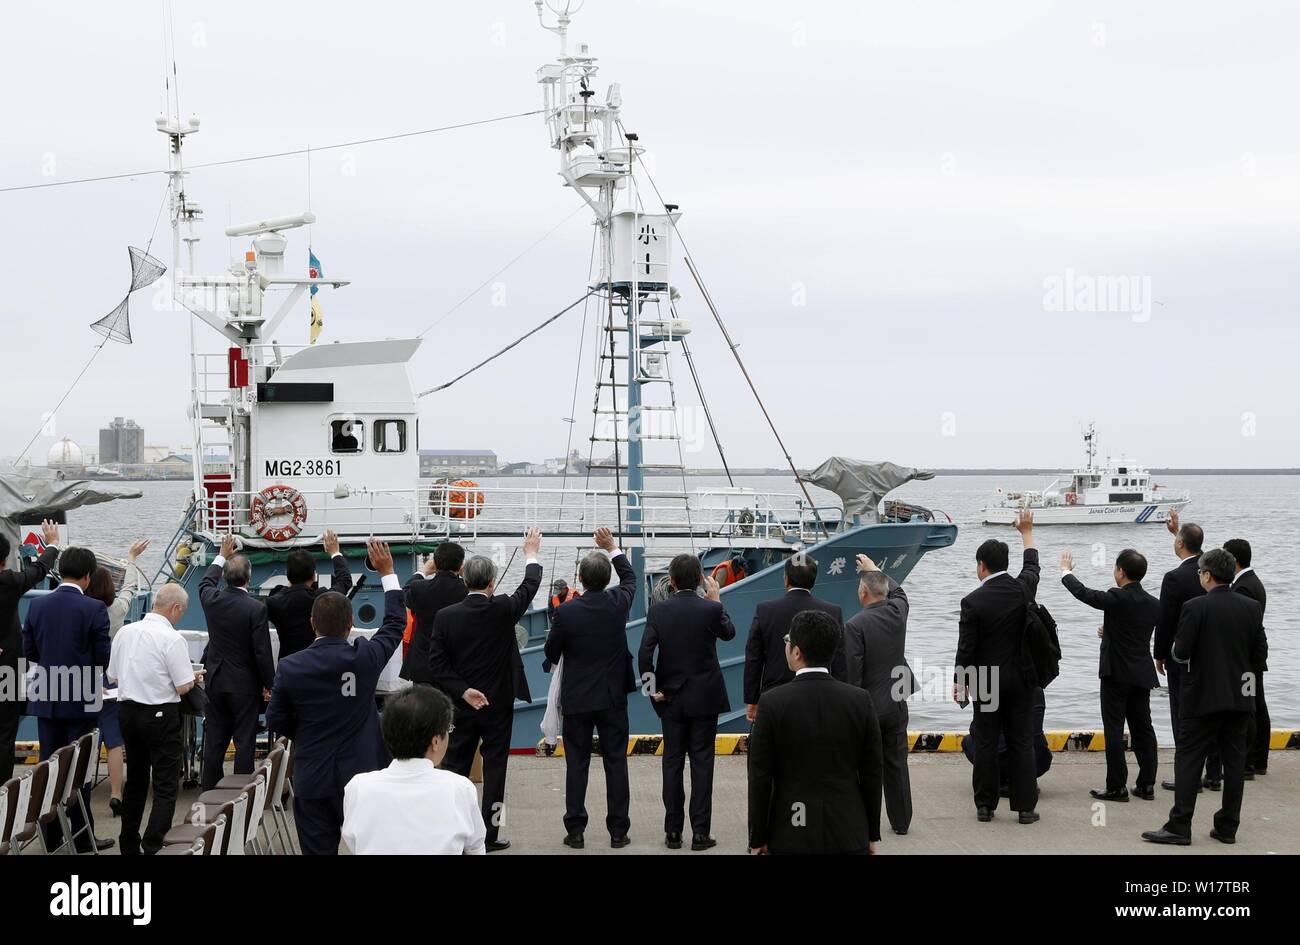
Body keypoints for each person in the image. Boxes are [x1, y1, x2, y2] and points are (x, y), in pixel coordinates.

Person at [266, 538, 405, 855]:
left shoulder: (290, 667)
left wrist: (306, 730)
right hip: (363, 777)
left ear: (312, 623)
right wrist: (388, 572)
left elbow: (275, 719)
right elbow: (396, 622)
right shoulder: (365, 658)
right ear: (351, 624)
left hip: (313, 775)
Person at [1142, 548, 1267, 846]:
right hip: (1239, 698)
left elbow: (1180, 651)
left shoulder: (1196, 607)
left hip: (1201, 698)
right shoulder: (1251, 607)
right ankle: (1227, 826)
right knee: (1234, 763)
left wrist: (1172, 651)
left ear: (1208, 575)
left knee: (1188, 758)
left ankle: (1180, 825)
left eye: (1200, 572)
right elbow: (1259, 654)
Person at [428, 529, 542, 852]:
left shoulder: (445, 617)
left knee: (454, 771)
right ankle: (491, 835)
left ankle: (454, 832)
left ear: (466, 582)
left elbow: (438, 665)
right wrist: (530, 552)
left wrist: (463, 692)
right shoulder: (503, 609)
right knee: (496, 772)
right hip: (498, 705)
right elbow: (530, 586)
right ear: (492, 583)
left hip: (460, 707)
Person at [747, 610, 883, 855]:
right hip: (848, 831)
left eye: (788, 641)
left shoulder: (772, 703)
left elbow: (760, 777)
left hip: (789, 832)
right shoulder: (860, 700)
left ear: (797, 652)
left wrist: (758, 836)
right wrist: (871, 832)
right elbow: (872, 772)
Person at [543, 527, 638, 849]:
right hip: (612, 698)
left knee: (577, 764)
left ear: (580, 579)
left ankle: (575, 830)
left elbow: (551, 652)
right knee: (616, 762)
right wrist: (612, 547)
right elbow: (630, 578)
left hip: (577, 698)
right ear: (605, 578)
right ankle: (618, 832)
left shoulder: (565, 612)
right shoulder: (618, 604)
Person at [638, 554, 735, 850]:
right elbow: (729, 633)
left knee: (672, 763)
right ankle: (701, 833)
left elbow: (645, 653)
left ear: (673, 580)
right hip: (705, 697)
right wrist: (717, 601)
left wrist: (651, 689)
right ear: (698, 581)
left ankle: (673, 832)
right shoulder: (710, 609)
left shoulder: (659, 611)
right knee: (703, 764)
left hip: (672, 697)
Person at [21, 545, 113, 851]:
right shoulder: (95, 609)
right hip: (82, 698)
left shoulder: (37, 607)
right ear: (87, 577)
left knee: (51, 768)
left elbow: (30, 651)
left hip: (46, 696)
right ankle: (83, 836)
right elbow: (102, 657)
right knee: (79, 770)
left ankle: (51, 837)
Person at [954, 509, 1040, 824]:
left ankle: (985, 806)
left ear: (981, 565)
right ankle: (1026, 808)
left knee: (987, 742)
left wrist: (960, 683)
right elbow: (1032, 564)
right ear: (1005, 564)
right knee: (1021, 741)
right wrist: (1026, 533)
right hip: (1021, 679)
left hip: (986, 680)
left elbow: (966, 649)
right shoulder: (1023, 589)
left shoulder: (973, 601)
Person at [1059, 547, 1161, 801]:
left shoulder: (1117, 596)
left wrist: (1066, 572)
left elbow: (1085, 594)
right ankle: (1147, 783)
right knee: (1143, 728)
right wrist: (1111, 632)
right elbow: (1134, 629)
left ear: (1121, 572)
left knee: (1114, 729)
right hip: (1141, 673)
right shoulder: (1154, 604)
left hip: (1116, 674)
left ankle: (1117, 786)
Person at [108, 583, 199, 855]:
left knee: (135, 779)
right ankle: (153, 843)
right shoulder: (172, 639)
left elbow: (113, 675)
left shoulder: (125, 631)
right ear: (175, 608)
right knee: (165, 783)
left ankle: (128, 843)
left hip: (127, 713)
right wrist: (194, 678)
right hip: (160, 715)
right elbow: (183, 686)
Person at [342, 685, 486, 855]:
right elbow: (475, 848)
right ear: (436, 742)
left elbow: (354, 842)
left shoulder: (358, 786)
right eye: (448, 730)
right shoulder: (460, 788)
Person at [843, 553, 914, 835]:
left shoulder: (855, 626)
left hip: (869, 707)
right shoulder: (898, 612)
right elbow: (900, 592)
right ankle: (901, 822)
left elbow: (853, 674)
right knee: (897, 764)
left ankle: (865, 820)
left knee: (864, 767)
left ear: (862, 593)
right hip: (897, 702)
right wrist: (876, 569)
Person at [199, 535, 274, 790]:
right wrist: (269, 684)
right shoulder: (255, 609)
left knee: (215, 743)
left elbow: (206, 581)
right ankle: (241, 794)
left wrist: (221, 554)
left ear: (225, 577)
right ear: (249, 578)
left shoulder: (212, 600)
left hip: (216, 680)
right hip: (244, 684)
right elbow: (261, 651)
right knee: (244, 741)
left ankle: (209, 793)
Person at [85, 537, 149, 818]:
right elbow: (130, 588)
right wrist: (132, 559)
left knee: (86, 739)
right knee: (113, 740)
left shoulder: (83, 611)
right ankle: (116, 793)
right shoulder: (117, 610)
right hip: (111, 680)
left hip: (83, 679)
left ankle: (80, 790)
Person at [743, 553, 846, 722]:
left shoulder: (765, 611)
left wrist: (752, 700)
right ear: (813, 581)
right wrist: (841, 697)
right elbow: (840, 660)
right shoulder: (833, 612)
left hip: (774, 696)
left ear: (786, 579)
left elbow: (754, 658)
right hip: (821, 696)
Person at [1154, 510, 1213, 791]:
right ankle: (1213, 773)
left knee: (1182, 715)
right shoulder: (1214, 572)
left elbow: (1165, 621)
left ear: (1179, 544)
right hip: (1212, 656)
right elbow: (1195, 554)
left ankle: (1186, 777)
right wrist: (1177, 532)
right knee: (1210, 713)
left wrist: (1159, 653)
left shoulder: (1174, 578)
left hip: (1182, 657)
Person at [0, 519, 59, 783]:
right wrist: (53, 544)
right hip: (7, 669)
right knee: (5, 731)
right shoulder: (9, 582)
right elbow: (38, 569)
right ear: (5, 558)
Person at [266, 529, 351, 662]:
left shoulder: (274, 602)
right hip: (318, 665)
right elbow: (344, 581)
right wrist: (335, 553)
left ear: (287, 574)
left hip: (288, 667)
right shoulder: (321, 598)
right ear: (313, 575)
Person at [1224, 538, 1269, 777]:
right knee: (1257, 706)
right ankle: (1258, 759)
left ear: (1233, 560)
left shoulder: (1243, 587)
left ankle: (1249, 761)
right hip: (1254, 658)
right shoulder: (1253, 582)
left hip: (1246, 660)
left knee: (1249, 708)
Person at [399, 541, 466, 685]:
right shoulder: (466, 590)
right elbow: (482, 595)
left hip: (424, 666)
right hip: (456, 667)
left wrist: (421, 572)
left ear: (435, 563)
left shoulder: (419, 588)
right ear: (461, 566)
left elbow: (404, 593)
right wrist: (466, 576)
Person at [961, 686, 1053, 789]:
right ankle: (1026, 780)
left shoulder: (988, 687)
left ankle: (999, 780)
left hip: (1001, 761)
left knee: (967, 741)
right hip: (1038, 762)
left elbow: (976, 732)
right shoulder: (1036, 688)